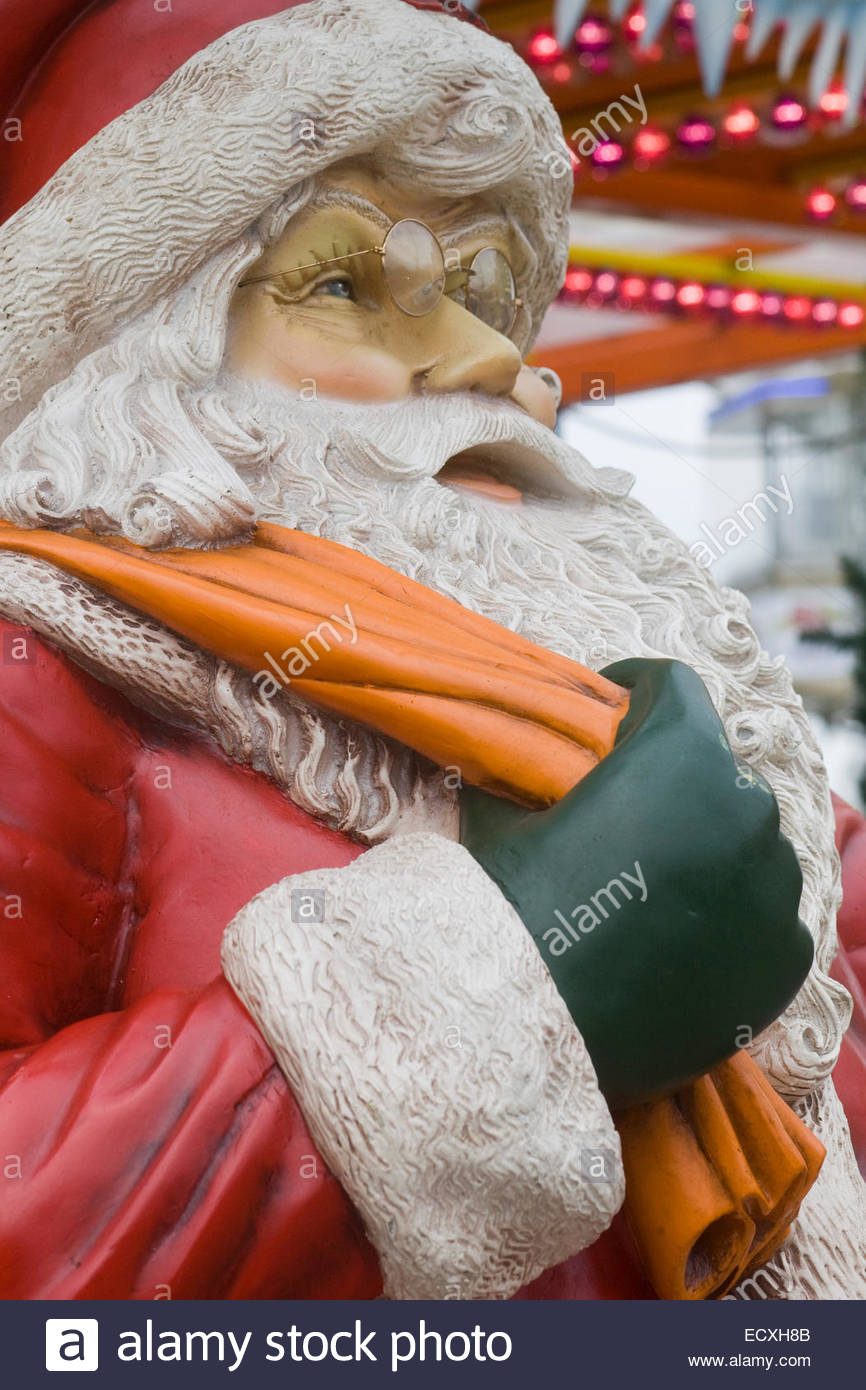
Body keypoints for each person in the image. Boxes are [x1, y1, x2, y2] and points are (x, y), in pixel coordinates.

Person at [0, 0, 863, 1301]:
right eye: (345, 282)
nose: (481, 354)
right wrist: (508, 986)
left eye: (476, 288)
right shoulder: (36, 679)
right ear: (126, 352)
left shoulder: (708, 720)